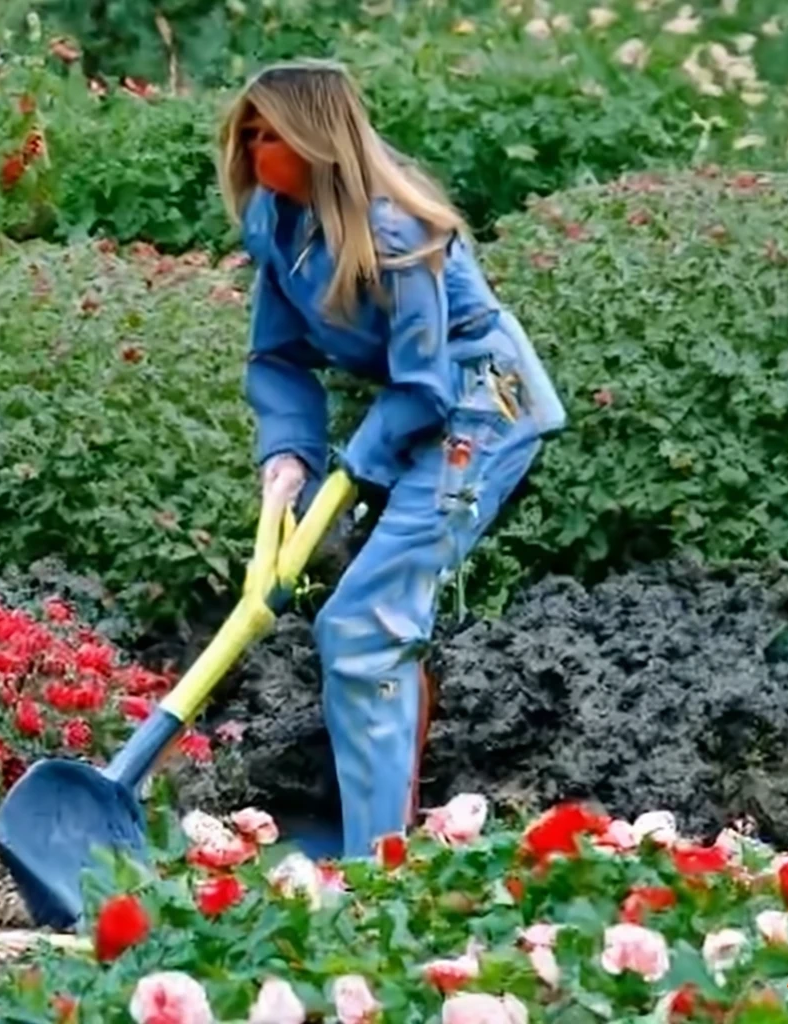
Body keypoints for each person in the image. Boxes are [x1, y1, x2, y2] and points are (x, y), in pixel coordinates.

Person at [217, 59, 566, 860]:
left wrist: (353, 467)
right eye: (250, 134)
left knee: (362, 625)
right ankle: (380, 847)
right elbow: (276, 358)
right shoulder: (277, 223)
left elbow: (423, 384)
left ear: (319, 142)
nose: (258, 151)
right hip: (416, 408)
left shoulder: (396, 233)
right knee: (364, 624)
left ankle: (378, 868)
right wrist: (290, 457)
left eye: (275, 135)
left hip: (482, 405)